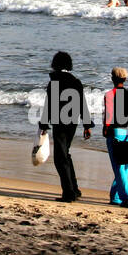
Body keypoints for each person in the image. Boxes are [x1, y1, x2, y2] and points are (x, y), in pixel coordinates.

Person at [37, 51, 93, 202]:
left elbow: (49, 105)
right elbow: (83, 104)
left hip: (59, 122)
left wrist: (44, 124)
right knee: (65, 154)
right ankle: (74, 188)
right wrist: (87, 125)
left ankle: (69, 193)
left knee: (60, 158)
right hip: (72, 122)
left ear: (55, 64)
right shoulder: (76, 81)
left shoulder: (55, 81)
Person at [102, 66, 128, 208]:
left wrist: (105, 127)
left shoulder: (110, 94)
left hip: (115, 131)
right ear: (125, 79)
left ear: (112, 78)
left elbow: (109, 114)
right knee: (124, 166)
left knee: (118, 166)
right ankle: (116, 197)